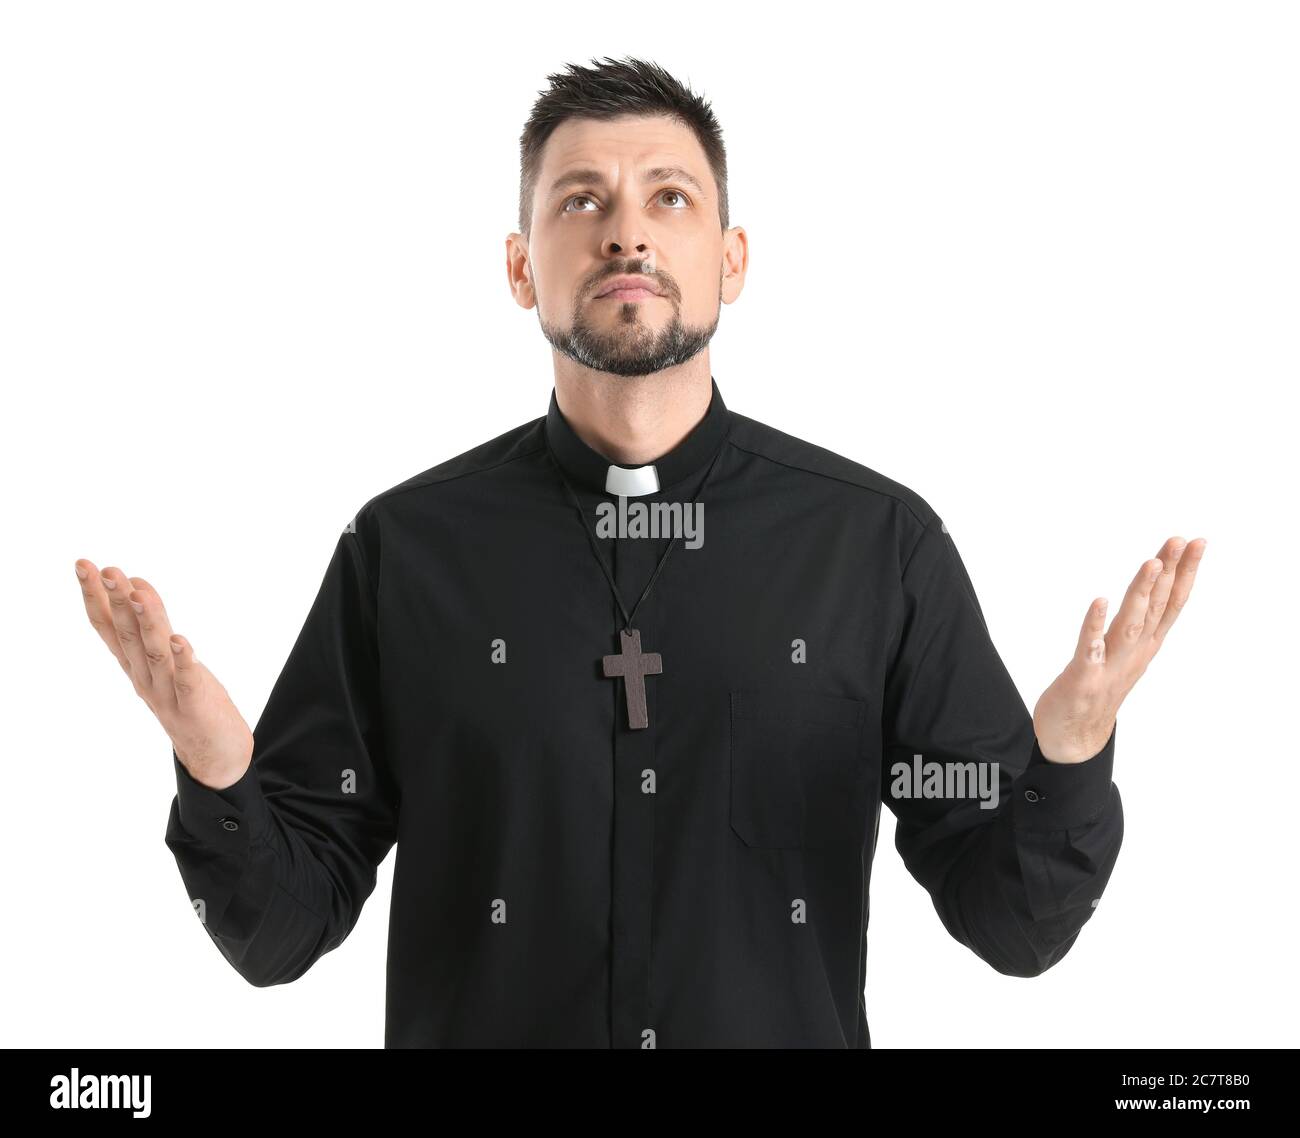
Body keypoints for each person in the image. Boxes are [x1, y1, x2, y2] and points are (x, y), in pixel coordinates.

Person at [75, 56, 1206, 1048]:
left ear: (731, 258)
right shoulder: (404, 553)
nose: (627, 230)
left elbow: (1012, 929)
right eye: (583, 200)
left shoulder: (876, 546)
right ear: (522, 268)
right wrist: (221, 776)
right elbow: (280, 935)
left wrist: (1068, 759)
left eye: (669, 196)